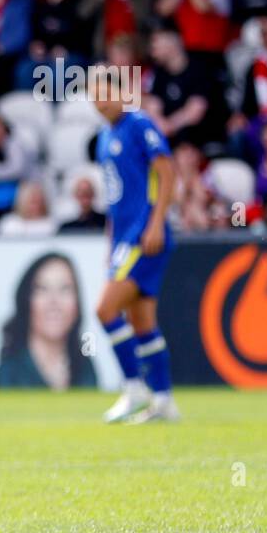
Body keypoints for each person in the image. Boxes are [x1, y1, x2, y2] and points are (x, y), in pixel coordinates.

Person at [91, 71, 178, 424]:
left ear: (121, 91)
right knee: (142, 321)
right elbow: (115, 197)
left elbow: (166, 171)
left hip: (144, 235)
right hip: (125, 237)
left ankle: (134, 387)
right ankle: (163, 400)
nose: (100, 102)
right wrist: (110, 242)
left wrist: (156, 222)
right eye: (93, 96)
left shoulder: (139, 124)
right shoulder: (103, 137)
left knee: (104, 310)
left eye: (104, 93)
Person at [0, 252, 98, 390]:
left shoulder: (86, 369)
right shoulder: (7, 375)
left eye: (64, 289)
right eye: (42, 289)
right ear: (26, 301)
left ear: (77, 305)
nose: (54, 302)